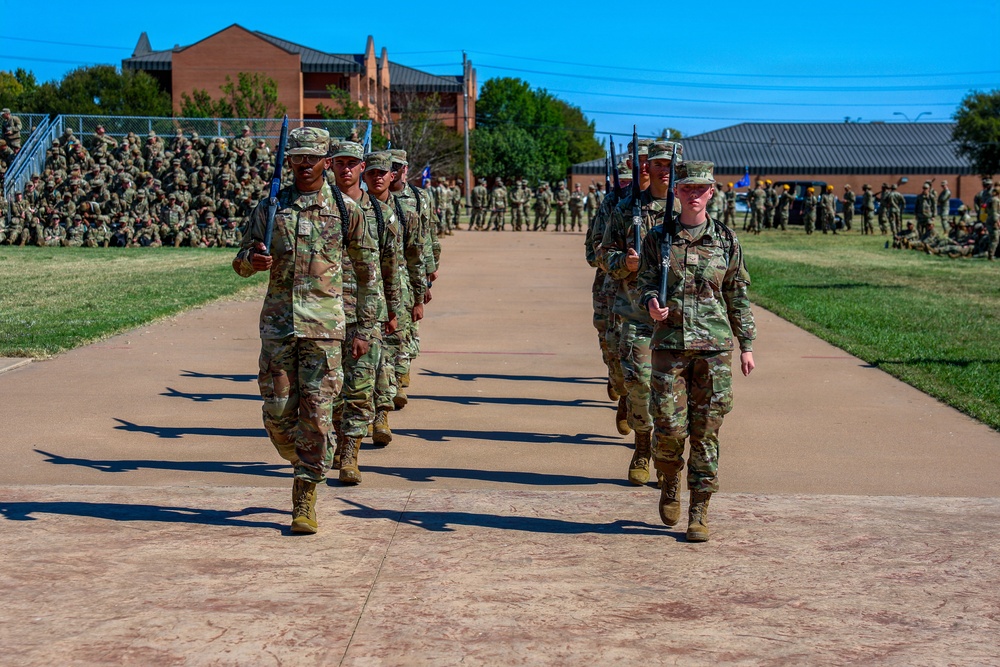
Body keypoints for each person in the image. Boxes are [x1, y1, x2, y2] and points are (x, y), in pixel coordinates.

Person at [232, 127, 379, 534]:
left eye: (310, 157)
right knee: (278, 415)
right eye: (295, 157)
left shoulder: (346, 210)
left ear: (326, 162)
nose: (302, 164)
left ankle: (305, 495)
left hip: (325, 329)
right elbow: (241, 259)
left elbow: (368, 274)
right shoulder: (271, 207)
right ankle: (302, 460)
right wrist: (251, 261)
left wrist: (364, 326)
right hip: (279, 327)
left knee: (317, 415)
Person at [637, 160, 756, 542]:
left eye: (701, 188)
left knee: (706, 432)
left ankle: (700, 509)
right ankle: (669, 478)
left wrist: (746, 345)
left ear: (711, 193)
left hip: (714, 351)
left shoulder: (726, 240)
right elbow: (645, 283)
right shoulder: (659, 238)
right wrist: (652, 302)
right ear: (677, 193)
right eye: (686, 188)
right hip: (670, 346)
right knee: (670, 426)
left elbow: (737, 293)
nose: (693, 194)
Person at [599, 138, 672, 485]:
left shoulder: (686, 208)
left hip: (677, 319)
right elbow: (602, 254)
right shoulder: (627, 208)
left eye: (670, 163)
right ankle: (642, 444)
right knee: (640, 385)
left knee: (670, 394)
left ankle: (664, 453)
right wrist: (623, 263)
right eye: (657, 163)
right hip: (634, 312)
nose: (663, 169)